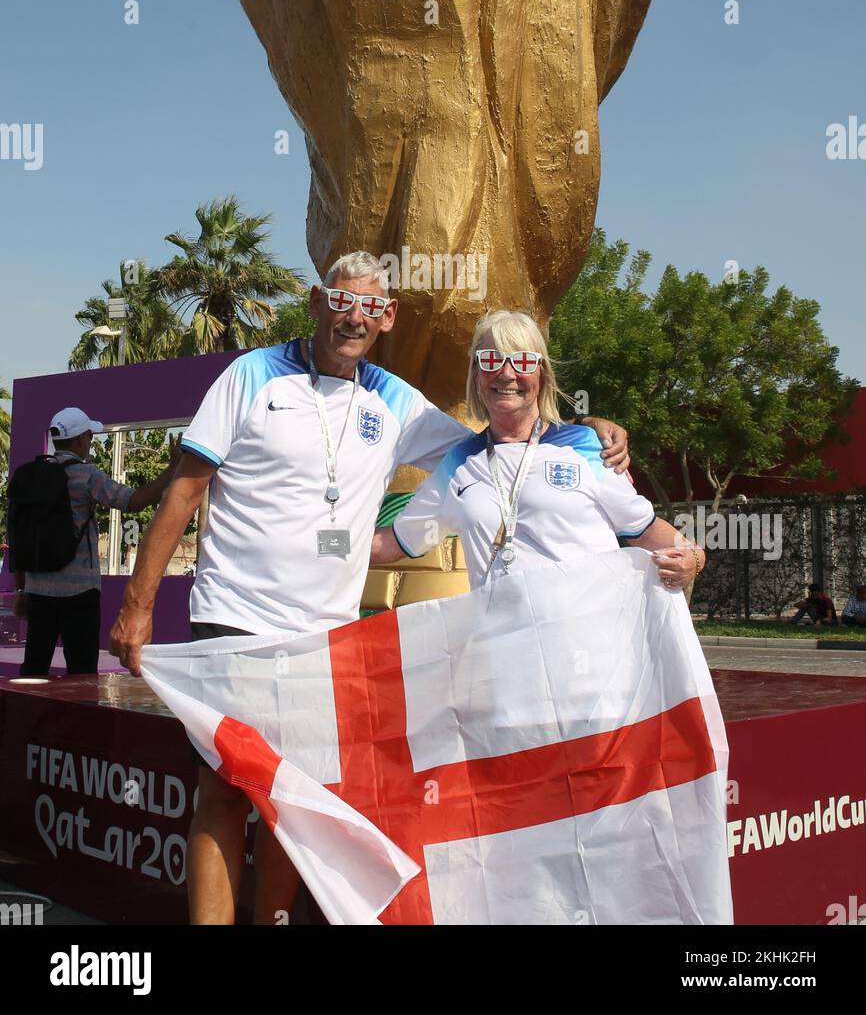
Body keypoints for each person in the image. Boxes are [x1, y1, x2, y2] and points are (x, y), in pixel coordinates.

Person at [109, 252, 630, 926]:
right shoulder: (251, 375)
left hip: (325, 636)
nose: (354, 318)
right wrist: (137, 607)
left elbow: (494, 440)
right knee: (225, 792)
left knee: (291, 801)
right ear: (317, 302)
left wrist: (584, 432)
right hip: (236, 618)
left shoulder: (393, 400)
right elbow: (184, 491)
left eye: (371, 308)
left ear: (386, 320)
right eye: (342, 302)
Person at [372, 310, 705, 595]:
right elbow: (393, 543)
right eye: (490, 360)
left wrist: (692, 559)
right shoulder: (459, 462)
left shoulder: (585, 446)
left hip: (590, 648)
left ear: (542, 374)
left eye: (522, 361)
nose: (506, 373)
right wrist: (325, 538)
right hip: (507, 651)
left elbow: (645, 530)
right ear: (475, 375)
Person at [13, 407, 179, 677]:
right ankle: (79, 720)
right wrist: (172, 470)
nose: (91, 442)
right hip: (80, 592)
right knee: (82, 671)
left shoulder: (30, 477)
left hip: (37, 589)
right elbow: (134, 501)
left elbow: (19, 535)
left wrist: (21, 591)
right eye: (90, 437)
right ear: (79, 440)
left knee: (34, 668)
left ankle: (27, 718)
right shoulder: (86, 476)